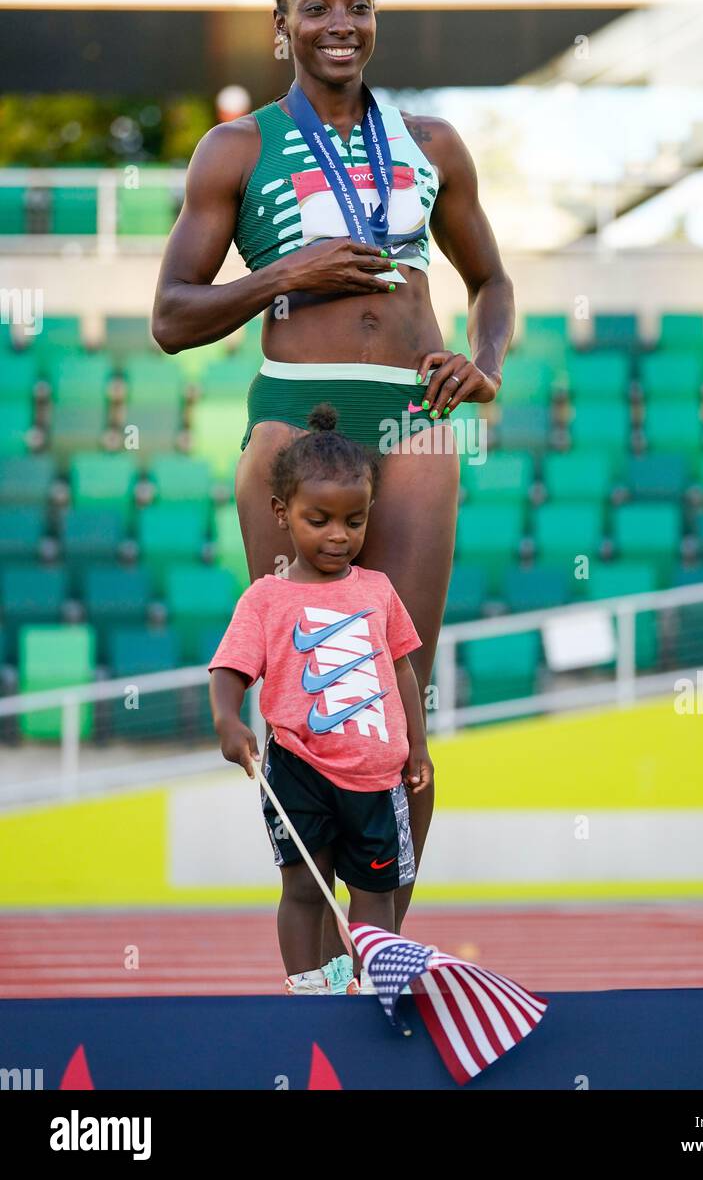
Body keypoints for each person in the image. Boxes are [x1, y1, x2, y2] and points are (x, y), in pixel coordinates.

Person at [152, 0, 514, 967]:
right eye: (317, 7)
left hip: (414, 419)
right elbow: (171, 317)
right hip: (296, 426)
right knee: (311, 694)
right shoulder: (236, 149)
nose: (340, 22)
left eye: (358, 3)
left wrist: (483, 360)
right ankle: (311, 973)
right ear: (282, 26)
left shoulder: (432, 141)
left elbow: (493, 283)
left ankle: (382, 959)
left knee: (401, 696)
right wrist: (287, 273)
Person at [208, 404, 433, 995]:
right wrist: (227, 722)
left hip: (378, 778)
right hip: (299, 771)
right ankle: (306, 989)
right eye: (320, 520)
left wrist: (418, 747)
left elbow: (403, 671)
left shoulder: (378, 590)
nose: (339, 535)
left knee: (376, 895)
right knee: (305, 887)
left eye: (354, 521)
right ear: (283, 515)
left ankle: (370, 988)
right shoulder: (265, 600)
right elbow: (230, 669)